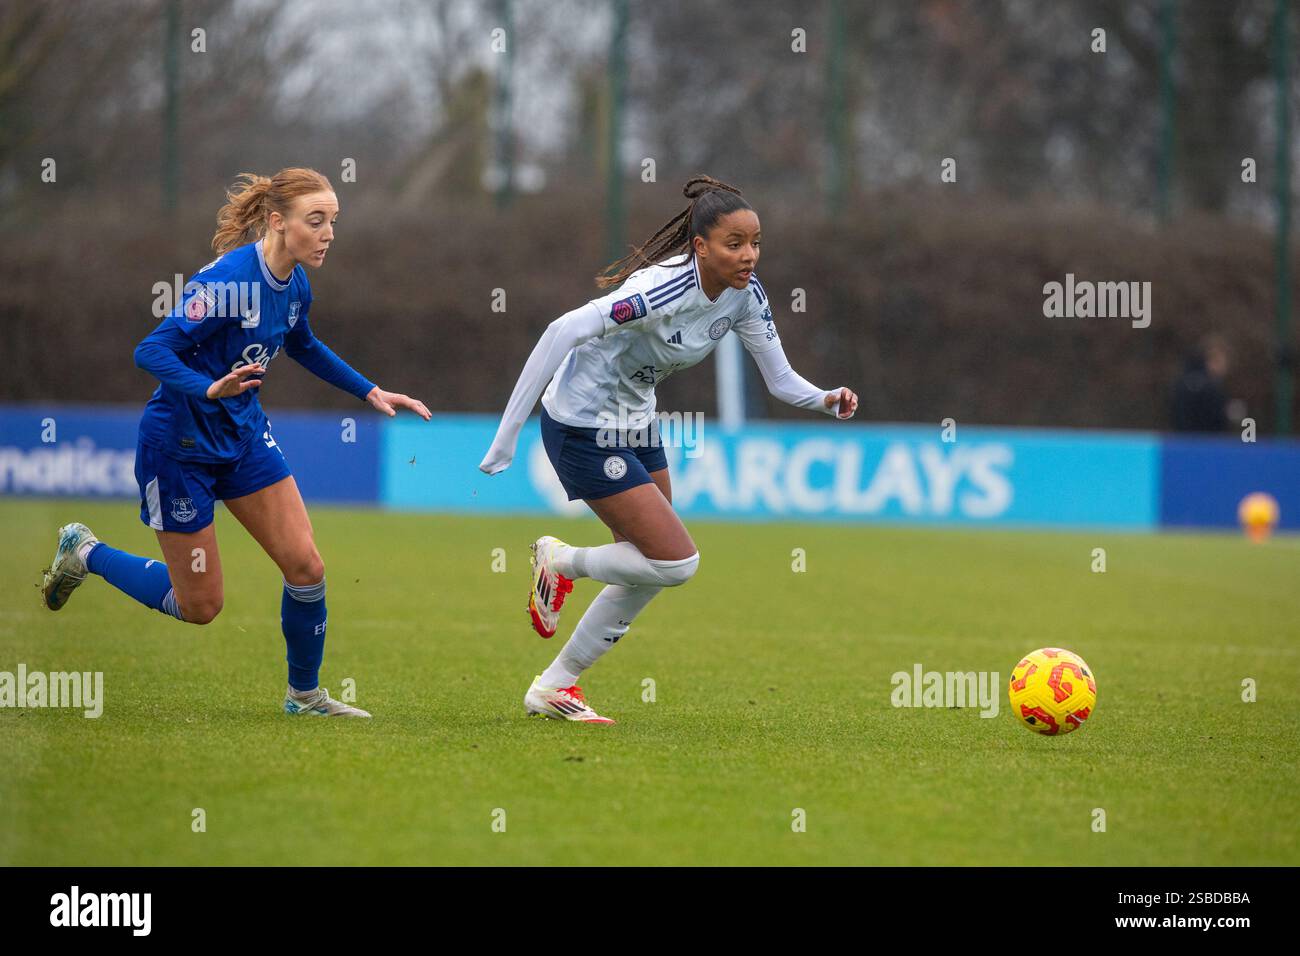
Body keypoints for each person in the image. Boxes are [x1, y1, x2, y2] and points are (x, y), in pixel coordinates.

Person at [40, 168, 431, 717]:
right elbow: (151, 350)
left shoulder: (295, 282)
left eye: (333, 222)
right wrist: (207, 386)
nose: (328, 234)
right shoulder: (228, 284)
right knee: (200, 606)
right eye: (315, 221)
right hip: (179, 449)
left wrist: (367, 389)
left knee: (306, 567)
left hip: (244, 438)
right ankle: (86, 551)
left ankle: (305, 696)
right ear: (277, 222)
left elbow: (304, 345)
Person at [479, 175, 859, 724]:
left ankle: (554, 686)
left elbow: (779, 379)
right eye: (735, 244)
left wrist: (825, 399)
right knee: (676, 562)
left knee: (644, 568)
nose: (749, 255)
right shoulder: (658, 291)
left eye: (755, 242)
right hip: (581, 426)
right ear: (700, 247)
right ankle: (561, 562)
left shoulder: (747, 297)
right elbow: (562, 330)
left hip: (638, 425)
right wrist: (507, 433)